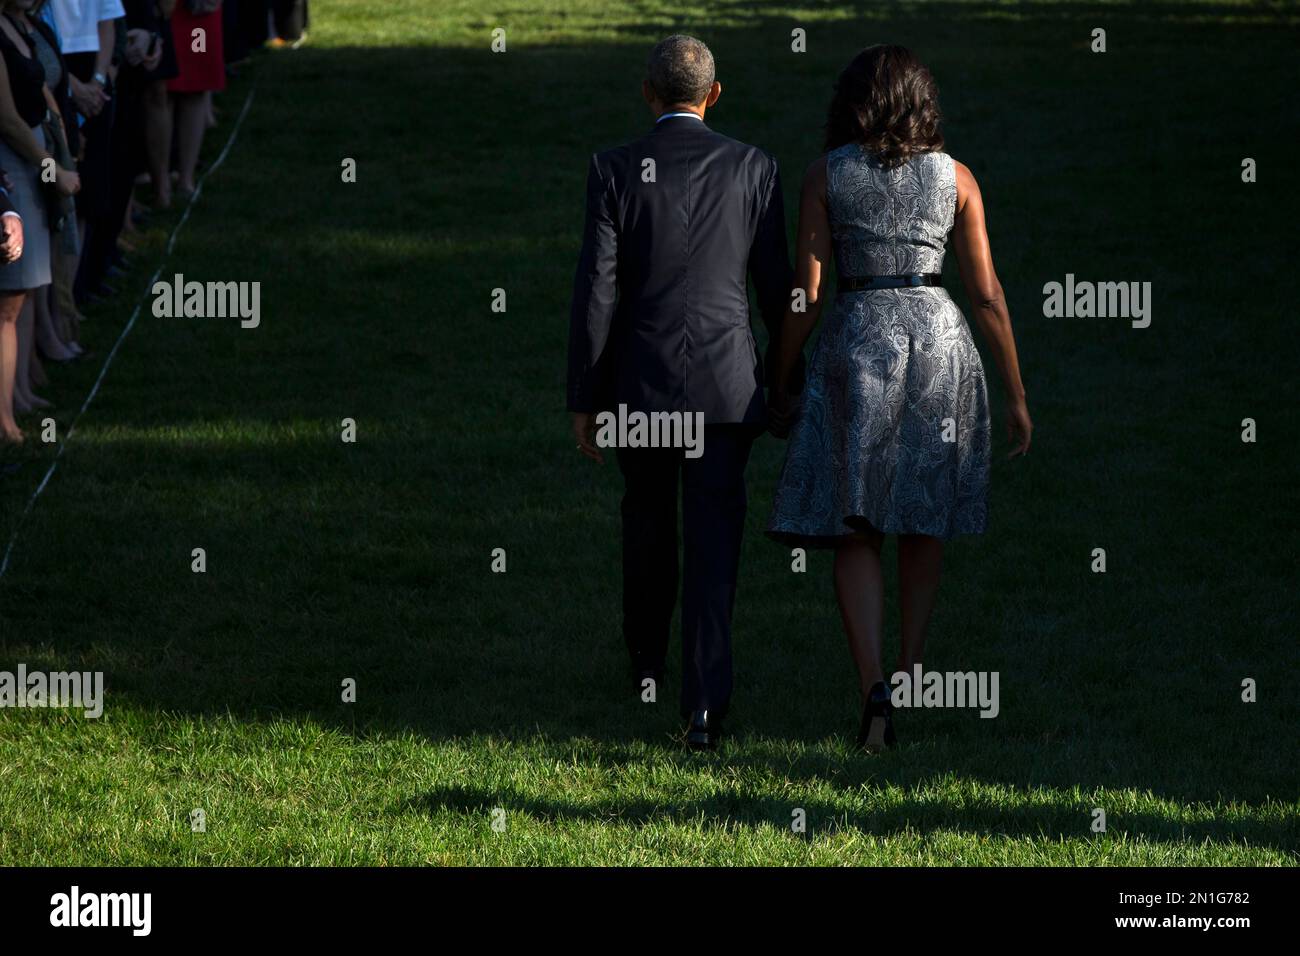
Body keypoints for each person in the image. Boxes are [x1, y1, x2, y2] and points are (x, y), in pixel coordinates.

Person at [766, 45, 1033, 751]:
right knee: (923, 518)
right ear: (923, 103)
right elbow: (987, 294)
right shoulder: (959, 178)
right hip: (941, 341)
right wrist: (1015, 392)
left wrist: (780, 371)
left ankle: (874, 690)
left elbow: (808, 294)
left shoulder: (827, 175)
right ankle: (913, 675)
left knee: (856, 527)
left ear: (849, 103)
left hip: (859, 341)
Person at [567, 35, 800, 750]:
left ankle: (646, 657)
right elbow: (777, 290)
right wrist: (783, 383)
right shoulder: (754, 167)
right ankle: (703, 706)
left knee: (645, 518)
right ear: (715, 94)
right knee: (713, 541)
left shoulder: (613, 170)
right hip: (728, 389)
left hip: (643, 384)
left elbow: (596, 293)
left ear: (648, 93)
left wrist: (587, 396)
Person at [0, 0, 77, 443]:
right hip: (17, 161)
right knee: (13, 288)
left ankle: (21, 391)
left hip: (34, 157)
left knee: (23, 288)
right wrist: (55, 169)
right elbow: (8, 120)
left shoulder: (19, 25)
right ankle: (8, 410)